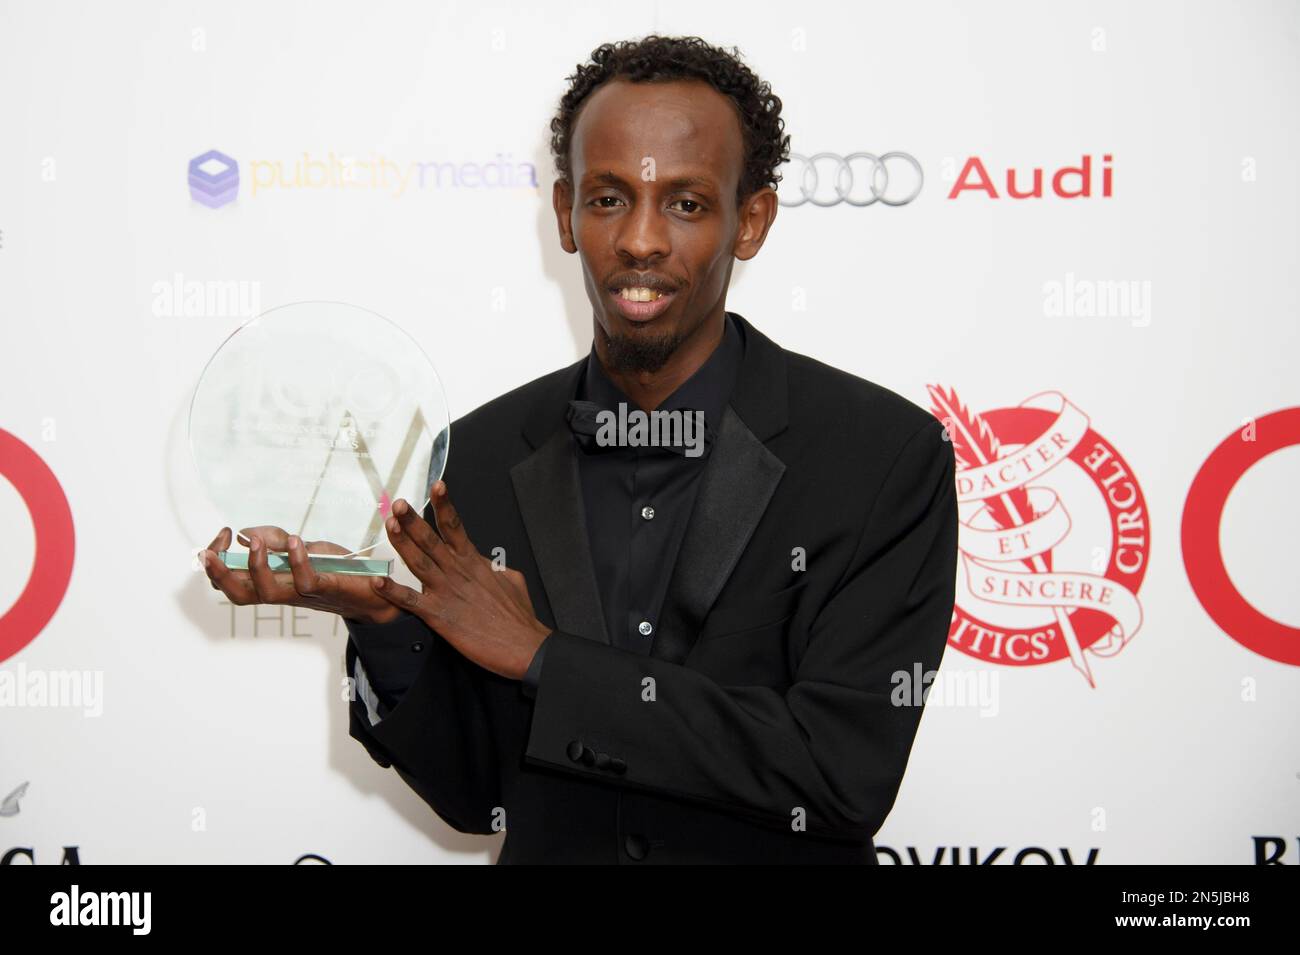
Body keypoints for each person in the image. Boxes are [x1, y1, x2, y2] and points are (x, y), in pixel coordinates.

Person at [202, 34, 958, 864]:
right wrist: (387, 620)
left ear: (752, 219)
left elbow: (839, 771)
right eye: (607, 199)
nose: (640, 241)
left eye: (685, 203)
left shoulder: (879, 458)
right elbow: (472, 794)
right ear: (564, 214)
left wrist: (545, 659)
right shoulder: (482, 454)